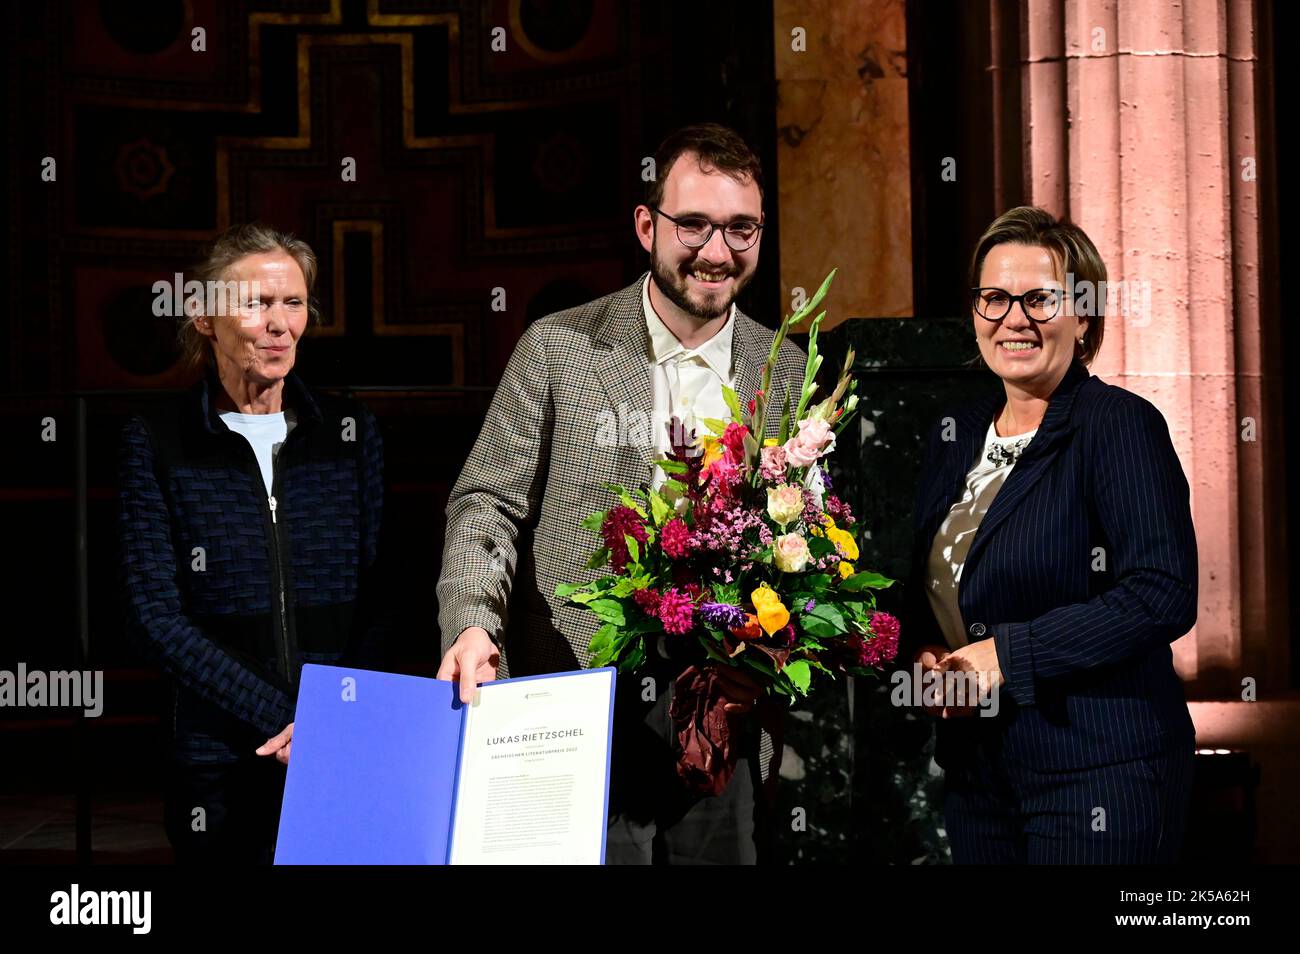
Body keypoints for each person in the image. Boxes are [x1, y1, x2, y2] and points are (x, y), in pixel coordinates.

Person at [435, 123, 808, 864]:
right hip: (576, 710)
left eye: (741, 229)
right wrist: (472, 622)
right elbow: (488, 503)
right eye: (693, 224)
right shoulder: (559, 346)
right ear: (647, 226)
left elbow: (812, 535)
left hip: (722, 722)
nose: (716, 250)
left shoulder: (787, 367)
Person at [905, 205, 1198, 864]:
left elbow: (1162, 593)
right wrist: (930, 659)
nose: (1015, 318)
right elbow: (938, 592)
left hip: (1100, 772)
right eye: (994, 298)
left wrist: (1005, 656)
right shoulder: (954, 433)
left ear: (1083, 314)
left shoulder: (1118, 426)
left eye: (1040, 299)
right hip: (979, 776)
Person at [118, 223, 385, 863]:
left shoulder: (348, 434)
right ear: (206, 317)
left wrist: (335, 717)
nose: (279, 324)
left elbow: (382, 593)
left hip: (342, 746)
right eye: (256, 304)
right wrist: (285, 717)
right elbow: (154, 615)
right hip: (219, 759)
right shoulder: (159, 440)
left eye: (292, 303)